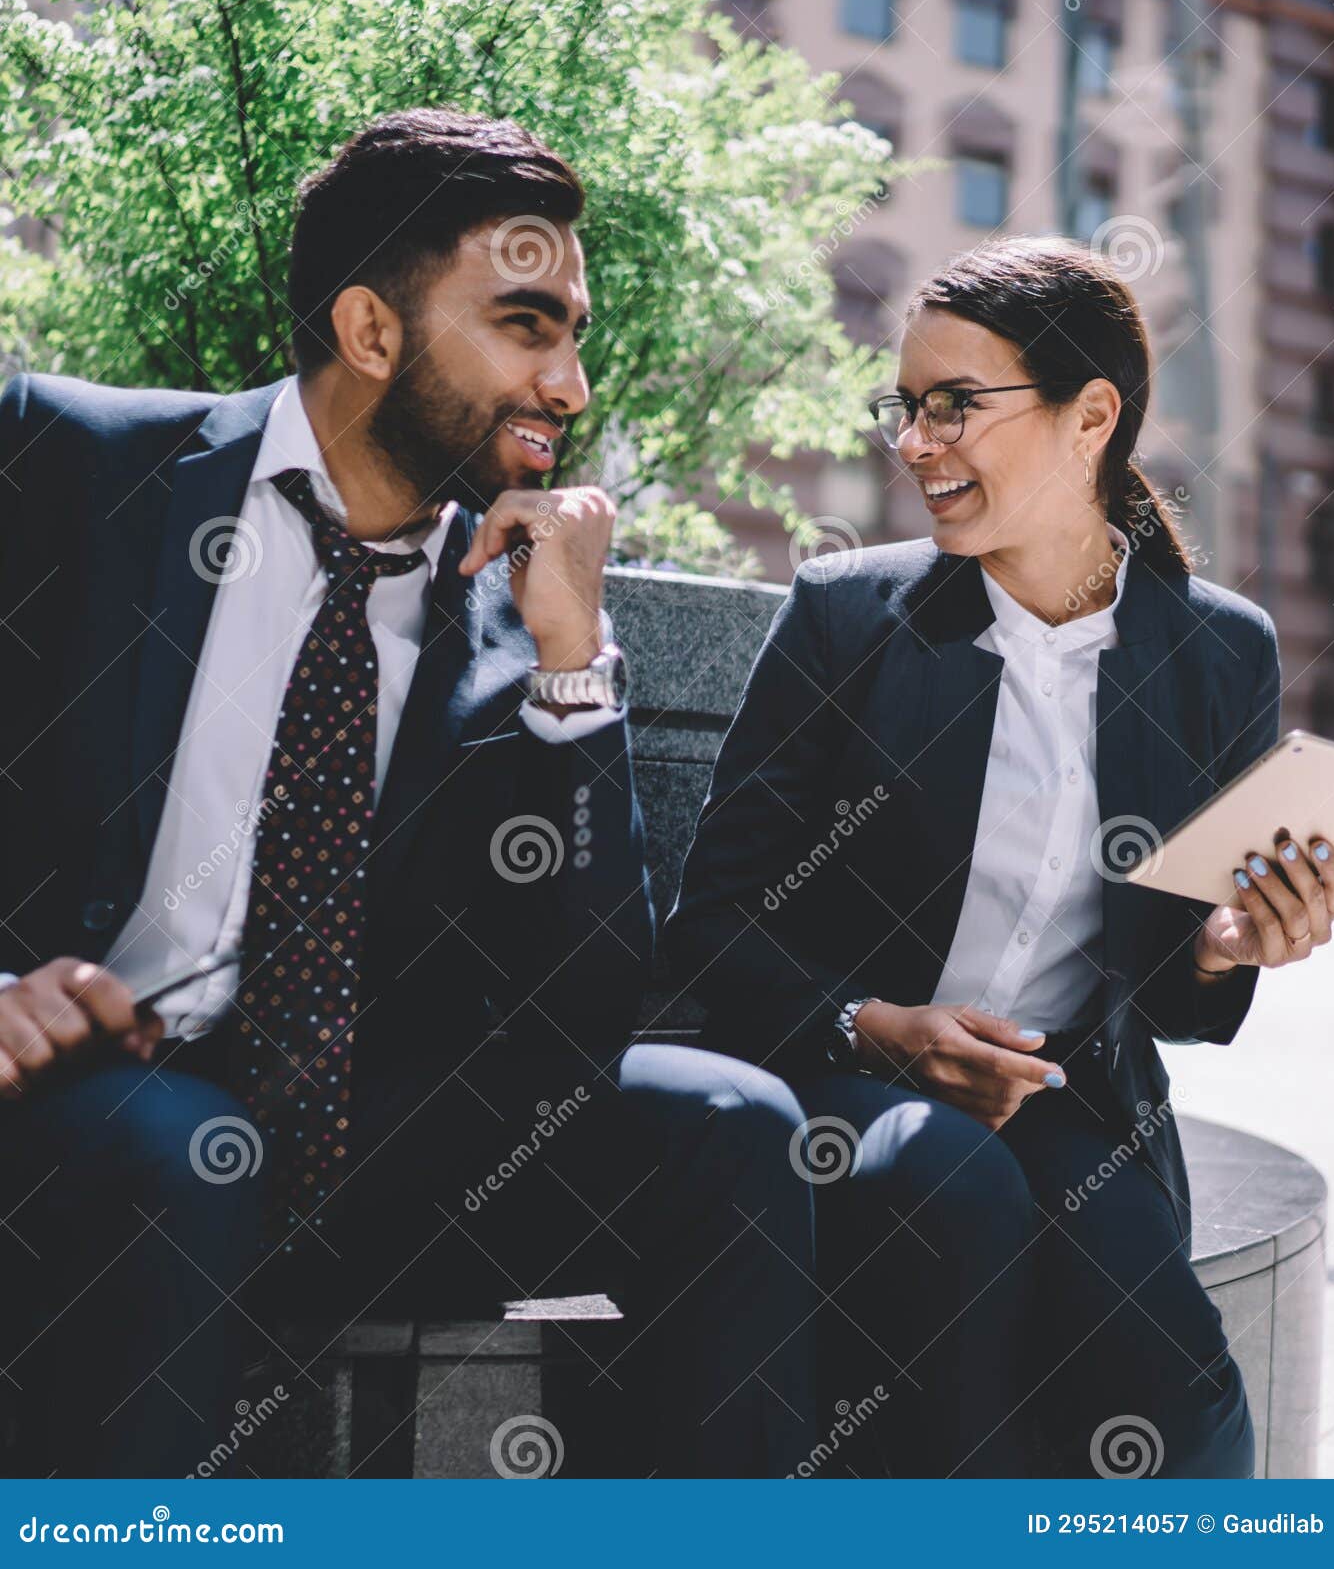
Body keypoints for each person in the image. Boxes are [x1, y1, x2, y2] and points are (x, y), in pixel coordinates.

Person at [0, 108, 815, 1478]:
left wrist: (573, 663)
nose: (567, 385)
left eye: (573, 336)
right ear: (372, 331)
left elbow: (585, 1008)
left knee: (736, 1126)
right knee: (182, 1148)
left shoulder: (513, 611)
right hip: (91, 1098)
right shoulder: (75, 466)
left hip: (375, 1144)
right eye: (525, 325)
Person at [665, 234, 1334, 1478]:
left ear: (1092, 417)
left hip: (1071, 1104)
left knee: (1178, 1394)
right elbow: (710, 923)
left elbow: (1184, 998)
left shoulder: (1217, 654)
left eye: (954, 407)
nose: (915, 442)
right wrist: (875, 1027)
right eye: (906, 407)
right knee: (952, 1204)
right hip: (843, 1082)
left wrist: (1225, 940)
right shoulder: (845, 618)